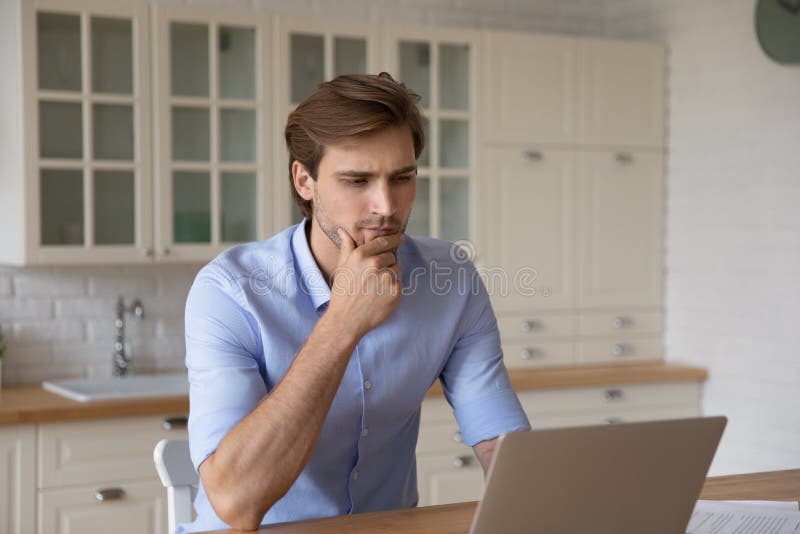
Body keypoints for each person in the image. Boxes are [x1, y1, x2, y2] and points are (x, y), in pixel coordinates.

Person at [180, 72, 530, 533]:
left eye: (402, 178)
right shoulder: (230, 291)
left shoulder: (451, 278)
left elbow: (499, 442)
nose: (386, 205)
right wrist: (343, 322)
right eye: (357, 180)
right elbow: (235, 502)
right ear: (304, 181)